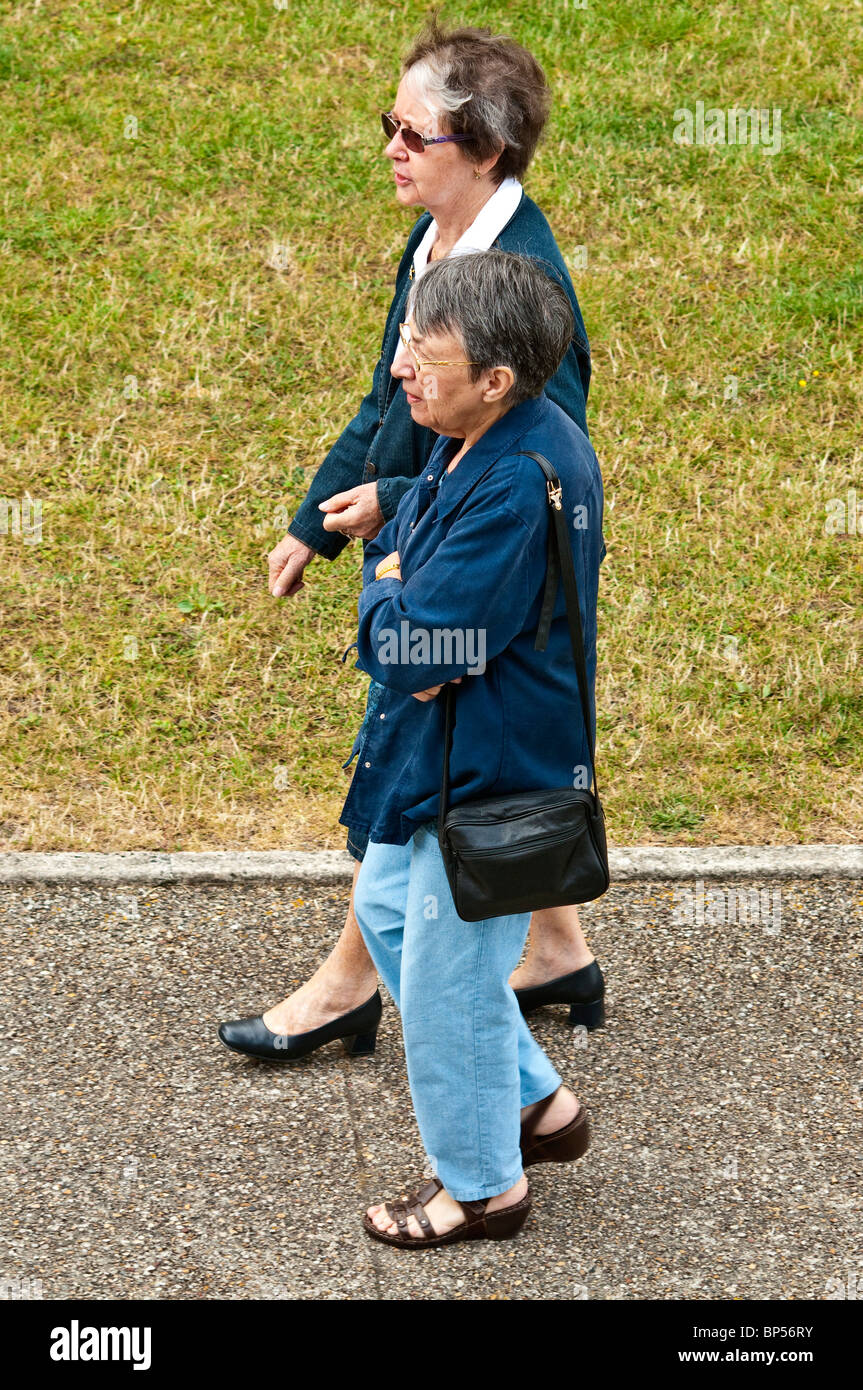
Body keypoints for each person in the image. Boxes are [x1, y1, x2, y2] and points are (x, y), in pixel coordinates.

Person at [218, 23, 605, 1067]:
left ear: (482, 148)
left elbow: (533, 466)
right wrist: (317, 518)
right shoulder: (437, 241)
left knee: (414, 772)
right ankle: (557, 949)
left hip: (473, 594)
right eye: (387, 124)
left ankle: (345, 989)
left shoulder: (527, 294)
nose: (389, 146)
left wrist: (414, 555)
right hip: (429, 540)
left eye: (411, 132)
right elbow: (384, 397)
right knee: (462, 785)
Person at [349, 250, 605, 1246]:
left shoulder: (509, 482)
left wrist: (382, 574)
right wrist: (398, 521)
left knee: (450, 988)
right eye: (408, 335)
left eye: (426, 351)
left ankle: (482, 1187)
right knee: (383, 908)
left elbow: (416, 654)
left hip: (484, 779)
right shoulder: (502, 435)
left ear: (492, 379)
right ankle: (538, 1100)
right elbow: (430, 527)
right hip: (454, 762)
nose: (401, 364)